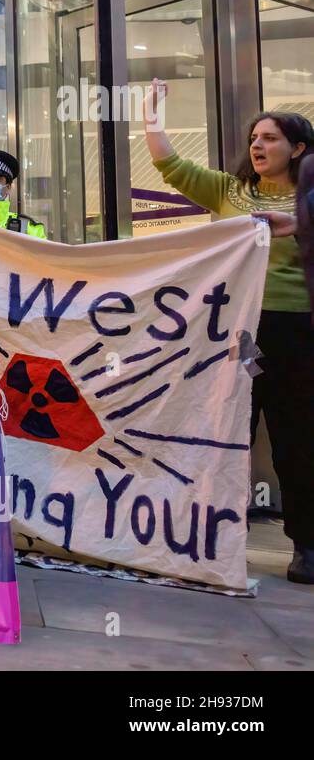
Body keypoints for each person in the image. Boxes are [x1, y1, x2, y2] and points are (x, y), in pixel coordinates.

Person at [144, 79, 314, 584]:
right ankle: (209, 536)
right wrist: (152, 114)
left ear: (299, 148)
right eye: (254, 138)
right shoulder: (228, 191)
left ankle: (306, 544)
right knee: (224, 431)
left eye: (271, 138)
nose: (258, 146)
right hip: (235, 331)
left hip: (296, 331)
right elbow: (169, 164)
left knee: (297, 438)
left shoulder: (311, 199)